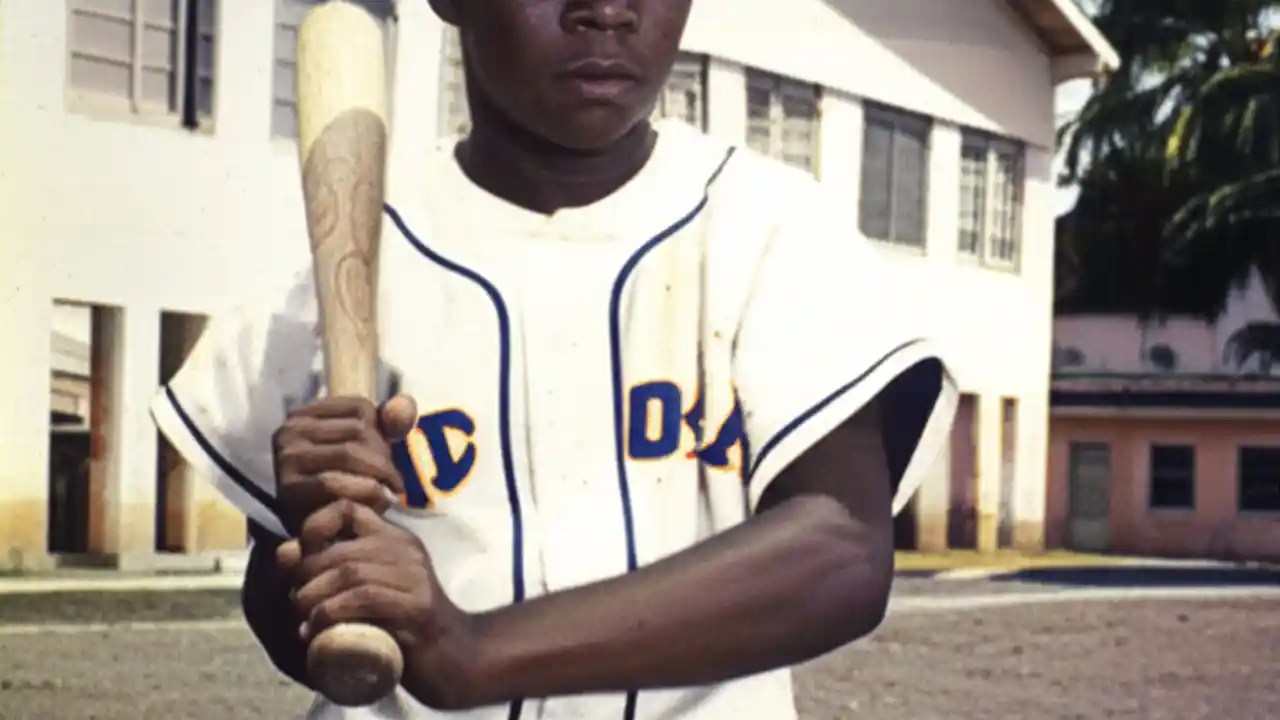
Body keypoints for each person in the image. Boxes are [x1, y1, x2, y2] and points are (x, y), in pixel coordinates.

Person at [150, 0, 958, 718]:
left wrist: (473, 653)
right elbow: (289, 620)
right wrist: (317, 542)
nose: (606, 11)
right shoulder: (343, 265)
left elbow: (842, 550)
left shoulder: (771, 228)